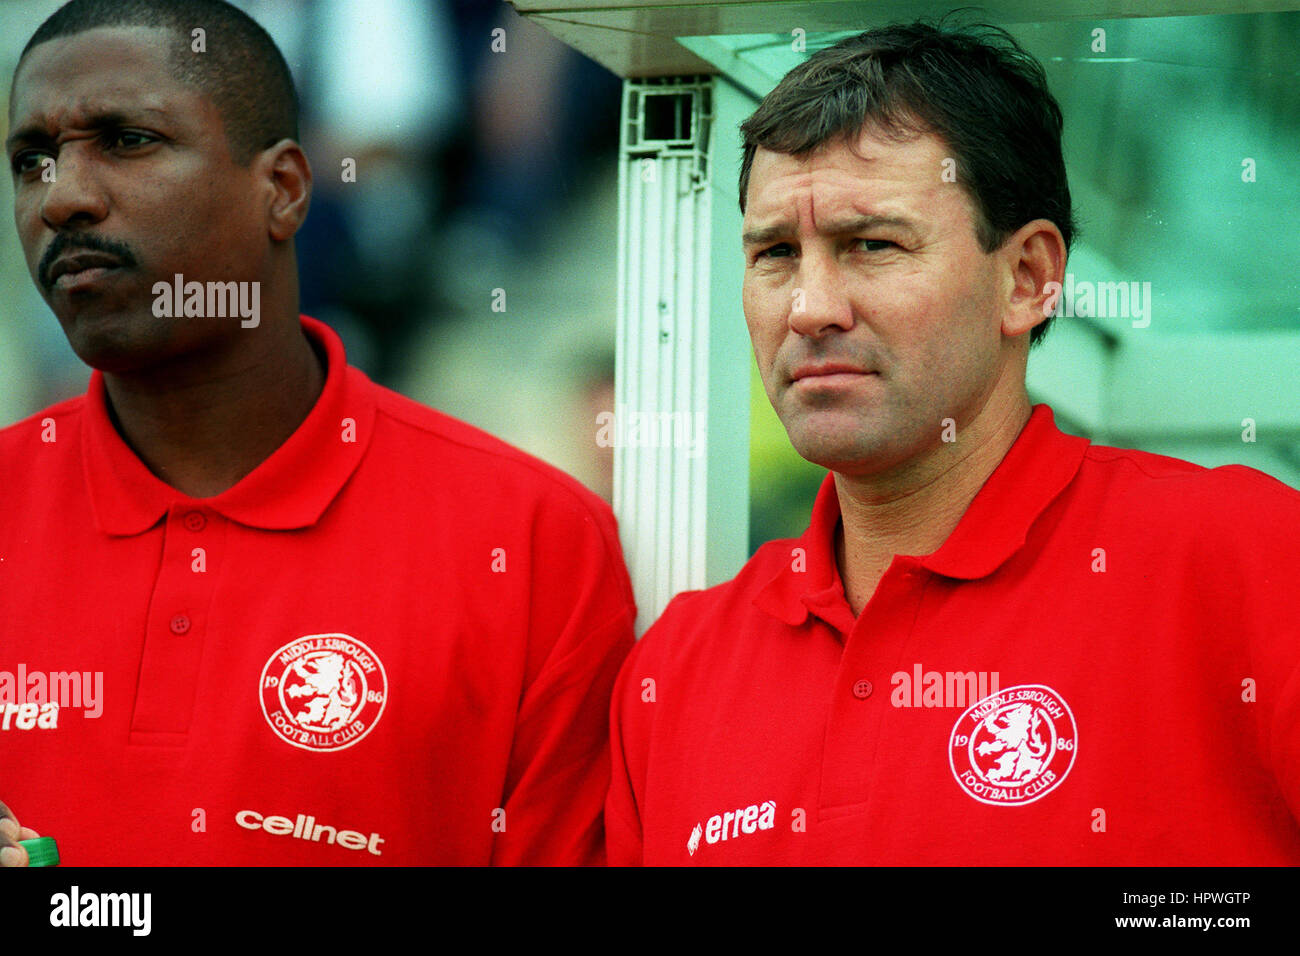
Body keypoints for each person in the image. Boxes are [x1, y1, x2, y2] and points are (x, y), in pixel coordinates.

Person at [606, 20, 1300, 865]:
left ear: (1029, 279)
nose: (810, 307)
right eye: (777, 253)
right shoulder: (676, 672)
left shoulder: (1250, 559)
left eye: (873, 244)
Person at [0, 0, 634, 866]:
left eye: (127, 140)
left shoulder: (528, 539)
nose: (62, 196)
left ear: (286, 190)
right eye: (30, 159)